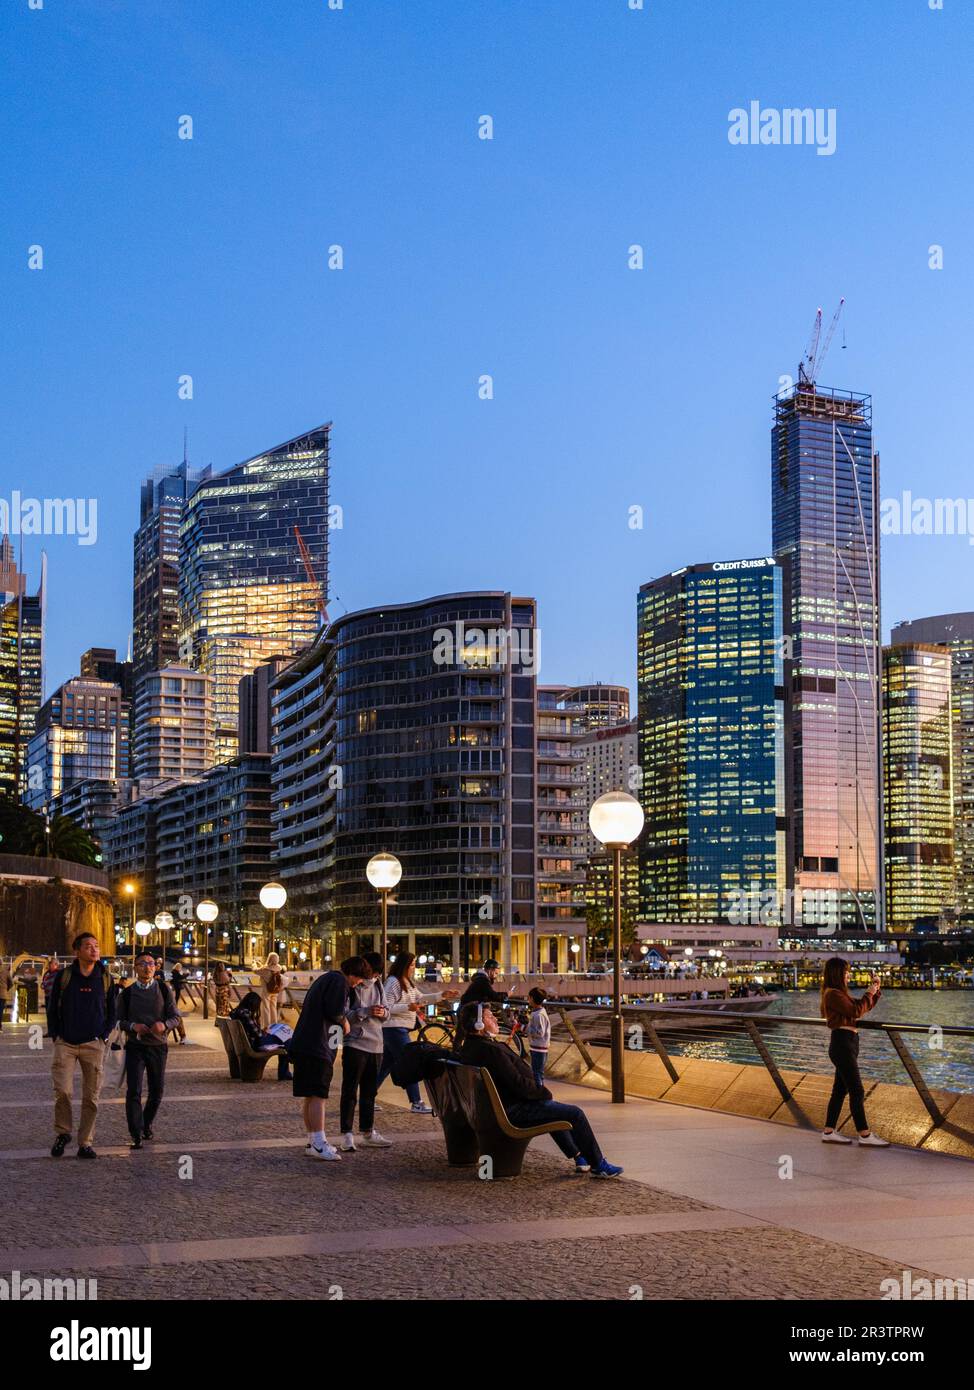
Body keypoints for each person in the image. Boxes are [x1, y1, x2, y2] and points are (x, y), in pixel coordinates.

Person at [455, 1002, 623, 1177]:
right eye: (490, 1017)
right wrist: (542, 1092)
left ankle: (579, 1156)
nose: (495, 1019)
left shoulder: (471, 1048)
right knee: (575, 1113)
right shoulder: (490, 1050)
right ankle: (598, 1164)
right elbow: (517, 1083)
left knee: (552, 1109)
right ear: (478, 1024)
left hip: (492, 1109)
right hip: (511, 1111)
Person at [289, 957, 369, 1160]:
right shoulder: (339, 982)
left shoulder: (327, 978)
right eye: (360, 979)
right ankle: (318, 1143)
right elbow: (335, 1011)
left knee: (310, 1094)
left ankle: (312, 1140)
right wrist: (345, 1022)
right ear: (353, 974)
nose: (359, 983)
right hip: (318, 1046)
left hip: (306, 1044)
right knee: (318, 1095)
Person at [47, 933, 118, 1159]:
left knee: (91, 1097)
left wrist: (104, 1035)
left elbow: (113, 1011)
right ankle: (63, 1132)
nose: (94, 950)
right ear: (77, 951)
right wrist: (56, 1034)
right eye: (88, 946)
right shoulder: (65, 976)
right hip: (65, 1043)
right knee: (63, 1092)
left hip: (93, 1043)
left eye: (96, 946)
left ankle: (85, 1143)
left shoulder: (105, 977)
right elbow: (52, 1006)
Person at [377, 952, 458, 1113]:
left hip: (399, 1027)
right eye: (413, 964)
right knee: (411, 1061)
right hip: (394, 1027)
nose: (414, 968)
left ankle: (367, 1094)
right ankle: (416, 1102)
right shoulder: (393, 982)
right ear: (405, 966)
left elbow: (420, 998)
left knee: (386, 1064)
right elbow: (386, 1007)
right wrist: (407, 1007)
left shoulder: (407, 982)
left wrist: (442, 995)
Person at [820, 957, 889, 1147]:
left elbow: (860, 1007)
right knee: (857, 1090)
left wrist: (874, 990)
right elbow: (856, 1011)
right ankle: (864, 1135)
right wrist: (870, 992)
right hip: (842, 1044)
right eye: (845, 971)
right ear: (837, 974)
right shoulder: (832, 994)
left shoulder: (838, 994)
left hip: (847, 1043)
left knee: (840, 1090)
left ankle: (829, 1131)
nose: (848, 975)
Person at [117, 952, 182, 1149]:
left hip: (158, 1047)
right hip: (136, 1047)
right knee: (134, 1091)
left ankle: (146, 1123)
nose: (148, 967)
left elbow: (175, 1017)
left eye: (152, 964)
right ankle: (136, 1133)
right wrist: (133, 1026)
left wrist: (164, 1024)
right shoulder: (126, 994)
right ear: (135, 968)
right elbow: (118, 1021)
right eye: (143, 964)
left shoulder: (163, 989)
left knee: (157, 1090)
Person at [339, 952, 392, 1151]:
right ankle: (346, 1134)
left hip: (377, 1044)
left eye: (378, 975)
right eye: (372, 974)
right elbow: (343, 1016)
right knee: (350, 1090)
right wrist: (364, 1012)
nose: (373, 978)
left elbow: (387, 1012)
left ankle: (368, 1131)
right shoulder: (351, 986)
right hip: (355, 1043)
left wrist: (382, 1013)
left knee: (370, 1092)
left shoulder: (379, 985)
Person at [230, 991, 293, 1081]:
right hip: (256, 1043)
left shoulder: (237, 1011)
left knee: (284, 1040)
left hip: (250, 1042)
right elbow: (258, 1034)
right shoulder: (245, 1013)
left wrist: (262, 1030)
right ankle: (287, 1066)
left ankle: (289, 1060)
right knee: (285, 1039)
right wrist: (264, 1031)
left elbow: (253, 1030)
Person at [526, 987, 551, 1087]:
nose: (528, 999)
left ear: (532, 998)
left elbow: (539, 1032)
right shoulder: (538, 1012)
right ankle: (541, 1092)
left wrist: (524, 1028)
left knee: (537, 1073)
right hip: (538, 1047)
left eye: (529, 997)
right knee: (538, 1072)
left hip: (539, 1048)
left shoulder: (539, 1015)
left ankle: (540, 1093)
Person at [256, 952, 284, 1029]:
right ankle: (274, 1024)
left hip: (267, 991)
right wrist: (261, 964)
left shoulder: (266, 970)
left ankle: (266, 1026)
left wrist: (254, 963)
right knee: (273, 1007)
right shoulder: (278, 969)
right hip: (275, 991)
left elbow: (255, 970)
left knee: (266, 1008)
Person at [0, 960, 11, 1031]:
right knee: (0, 1011)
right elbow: (11, 982)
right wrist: (6, 989)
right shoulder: (5, 971)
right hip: (3, 994)